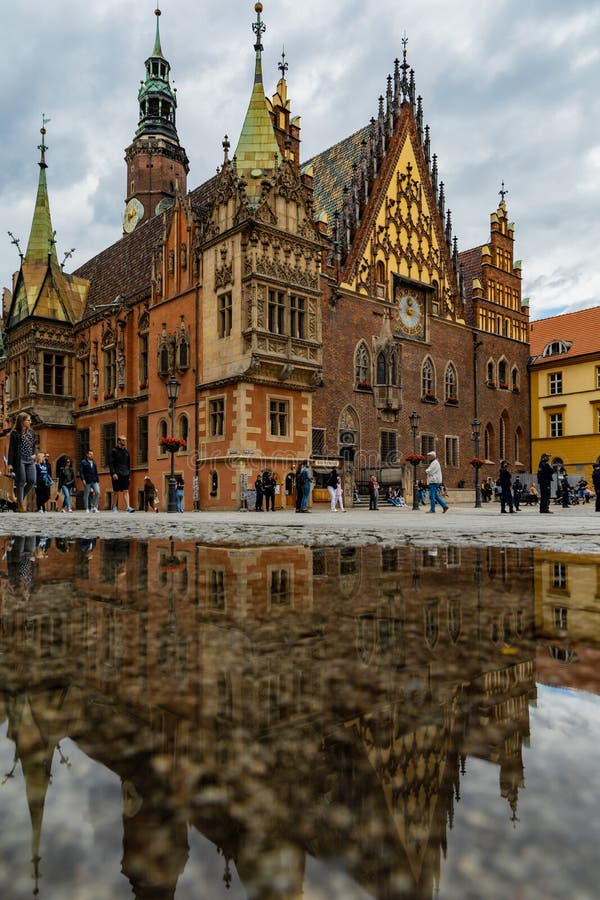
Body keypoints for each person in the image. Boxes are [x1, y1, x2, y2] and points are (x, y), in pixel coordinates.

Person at [7, 411, 37, 512]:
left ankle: (17, 499)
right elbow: (11, 449)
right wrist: (10, 464)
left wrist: (34, 454)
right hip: (20, 460)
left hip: (30, 459)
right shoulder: (15, 433)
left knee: (32, 480)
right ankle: (20, 505)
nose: (30, 422)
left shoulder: (32, 432)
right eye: (28, 420)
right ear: (22, 421)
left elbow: (33, 445)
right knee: (21, 481)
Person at [109, 435, 134, 512]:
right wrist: (113, 473)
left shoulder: (126, 452)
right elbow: (111, 463)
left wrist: (129, 475)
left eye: (125, 440)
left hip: (125, 473)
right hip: (117, 473)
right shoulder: (114, 451)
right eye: (123, 440)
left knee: (126, 490)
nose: (124, 442)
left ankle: (128, 507)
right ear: (119, 441)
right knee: (115, 491)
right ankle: (114, 507)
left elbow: (128, 464)